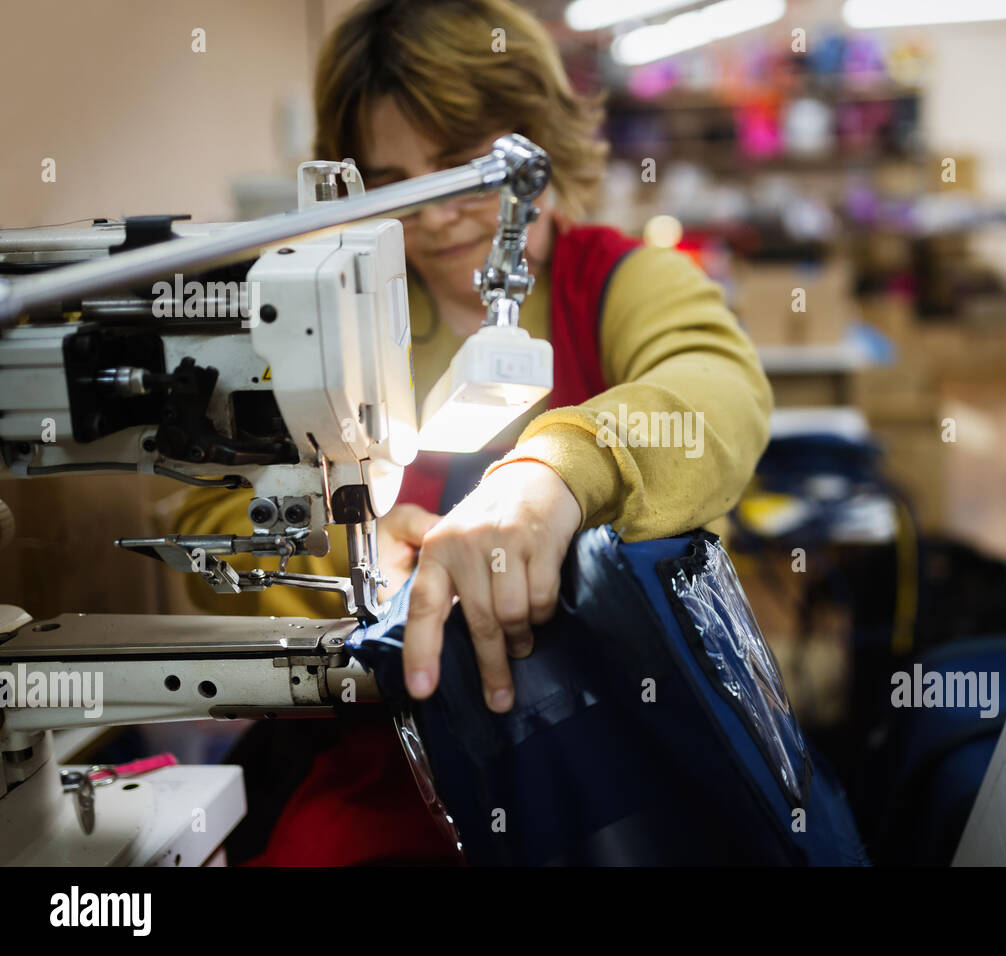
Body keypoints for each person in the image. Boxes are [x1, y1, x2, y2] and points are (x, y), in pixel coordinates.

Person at [174, 0, 772, 865]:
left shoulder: (622, 284)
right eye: (395, 184)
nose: (440, 216)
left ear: (540, 143)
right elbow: (204, 520)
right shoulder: (329, 331)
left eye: (465, 170)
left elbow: (716, 393)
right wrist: (346, 552)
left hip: (620, 747)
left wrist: (555, 477)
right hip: (393, 749)